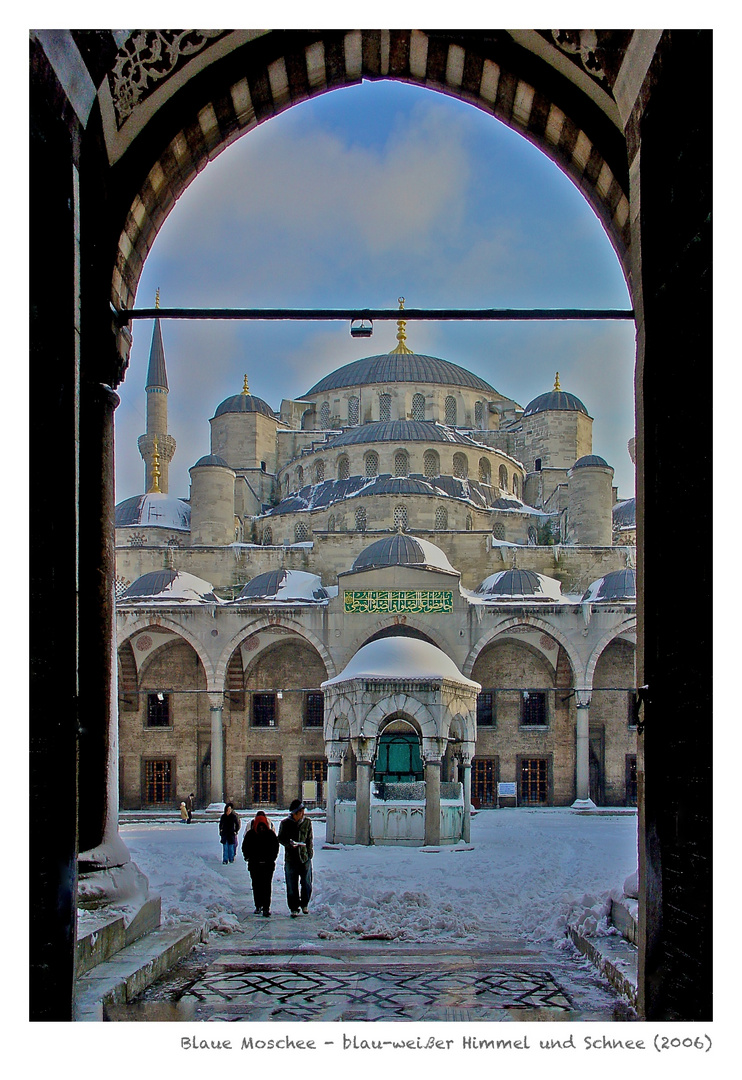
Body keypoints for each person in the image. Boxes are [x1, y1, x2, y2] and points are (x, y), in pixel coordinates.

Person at [277, 799, 314, 917]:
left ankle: (304, 904)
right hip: (291, 858)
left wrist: (309, 853)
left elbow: (309, 839)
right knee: (291, 884)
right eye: (300, 812)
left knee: (306, 882)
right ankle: (294, 907)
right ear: (294, 813)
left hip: (304, 857)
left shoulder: (307, 822)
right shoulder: (285, 823)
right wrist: (289, 844)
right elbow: (280, 838)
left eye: (303, 811)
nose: (302, 814)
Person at [242, 811, 280, 916]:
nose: (261, 828)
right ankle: (262, 906)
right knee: (262, 885)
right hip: (260, 864)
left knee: (260, 885)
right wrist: (248, 857)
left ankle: (262, 906)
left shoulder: (254, 834)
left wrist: (272, 858)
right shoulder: (256, 834)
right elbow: (245, 847)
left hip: (262, 864)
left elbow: (275, 847)